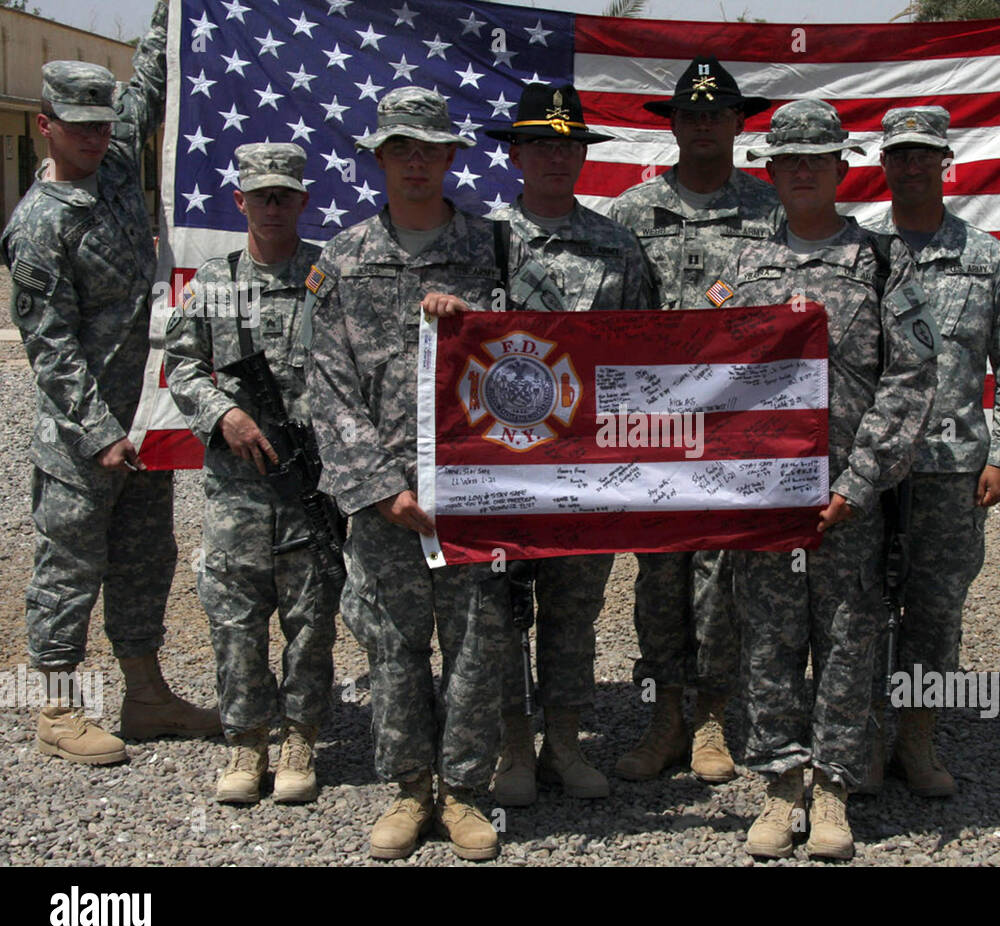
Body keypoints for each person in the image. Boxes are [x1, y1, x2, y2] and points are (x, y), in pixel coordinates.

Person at [1, 1, 221, 766]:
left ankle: (145, 692)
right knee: (68, 565)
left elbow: (151, 81)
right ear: (44, 125)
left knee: (144, 558)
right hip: (83, 437)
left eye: (101, 123)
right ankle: (56, 709)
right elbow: (51, 349)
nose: (96, 136)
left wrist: (170, 11)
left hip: (144, 417)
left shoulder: (120, 159)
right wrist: (99, 436)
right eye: (79, 125)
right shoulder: (38, 225)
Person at [724, 100, 938, 859]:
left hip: (847, 500)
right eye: (790, 162)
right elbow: (705, 379)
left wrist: (859, 480)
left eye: (818, 160)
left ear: (842, 169)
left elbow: (910, 378)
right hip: (766, 501)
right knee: (769, 643)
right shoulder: (743, 266)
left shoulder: (882, 263)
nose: (804, 172)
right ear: (772, 173)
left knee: (849, 640)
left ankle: (837, 789)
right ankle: (782, 787)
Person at [306, 87, 510, 860]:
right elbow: (325, 385)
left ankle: (463, 792)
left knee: (477, 643)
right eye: (401, 149)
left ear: (451, 156)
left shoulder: (492, 249)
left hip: (473, 491)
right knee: (392, 646)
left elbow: (533, 361)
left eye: (429, 148)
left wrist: (478, 325)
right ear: (380, 160)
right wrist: (380, 487)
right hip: (385, 498)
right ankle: (407, 788)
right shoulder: (344, 257)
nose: (415, 162)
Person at [463, 83, 655, 807]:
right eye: (539, 142)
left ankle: (565, 745)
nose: (553, 155)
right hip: (501, 463)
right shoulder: (479, 243)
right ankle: (513, 748)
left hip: (589, 467)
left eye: (566, 143)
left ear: (582, 155)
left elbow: (645, 356)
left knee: (574, 608)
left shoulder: (617, 246)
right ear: (514, 154)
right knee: (504, 605)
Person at [608, 55, 778, 784]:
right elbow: (602, 323)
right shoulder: (629, 215)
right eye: (691, 114)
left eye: (717, 114)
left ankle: (712, 716)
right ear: (672, 125)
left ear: (739, 124)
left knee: (722, 578)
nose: (703, 125)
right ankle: (662, 713)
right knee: (659, 579)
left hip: (737, 435)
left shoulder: (775, 212)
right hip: (651, 436)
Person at [864, 106, 1000, 796]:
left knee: (937, 608)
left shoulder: (985, 257)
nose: (911, 166)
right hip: (872, 465)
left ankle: (919, 736)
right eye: (899, 155)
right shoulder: (861, 250)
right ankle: (867, 735)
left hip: (951, 467)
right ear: (884, 165)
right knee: (863, 604)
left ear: (946, 163)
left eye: (923, 155)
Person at [164, 143, 340, 805]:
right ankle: (245, 740)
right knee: (234, 618)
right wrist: (224, 414)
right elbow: (181, 366)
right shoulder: (214, 282)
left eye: (283, 194)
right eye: (259, 195)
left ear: (302, 200)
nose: (271, 205)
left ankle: (299, 736)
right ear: (239, 201)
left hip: (311, 483)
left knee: (312, 616)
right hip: (238, 486)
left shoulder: (329, 274)